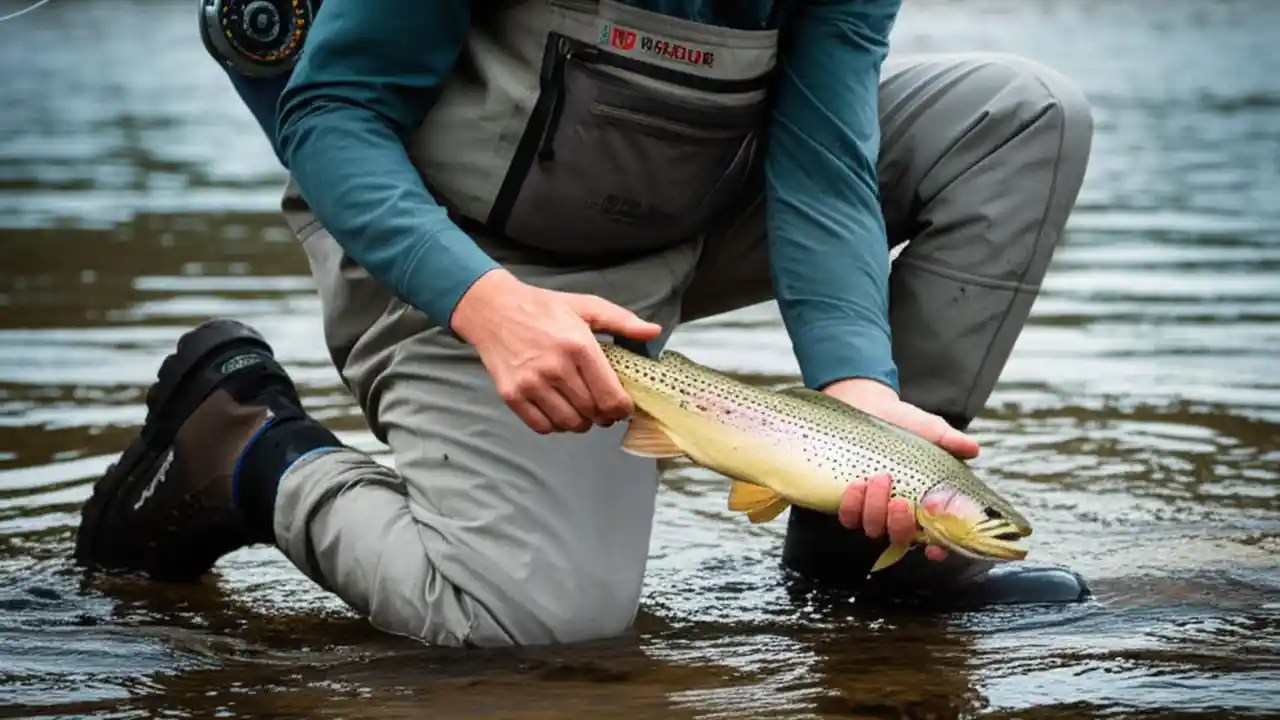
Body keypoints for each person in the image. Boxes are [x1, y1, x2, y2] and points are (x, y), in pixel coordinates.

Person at [73, 0, 1094, 646]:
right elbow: (329, 117)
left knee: (1019, 115)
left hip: (694, 211)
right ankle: (244, 449)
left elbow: (823, 162)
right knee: (533, 627)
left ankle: (850, 534)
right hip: (453, 247)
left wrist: (857, 395)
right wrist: (488, 306)